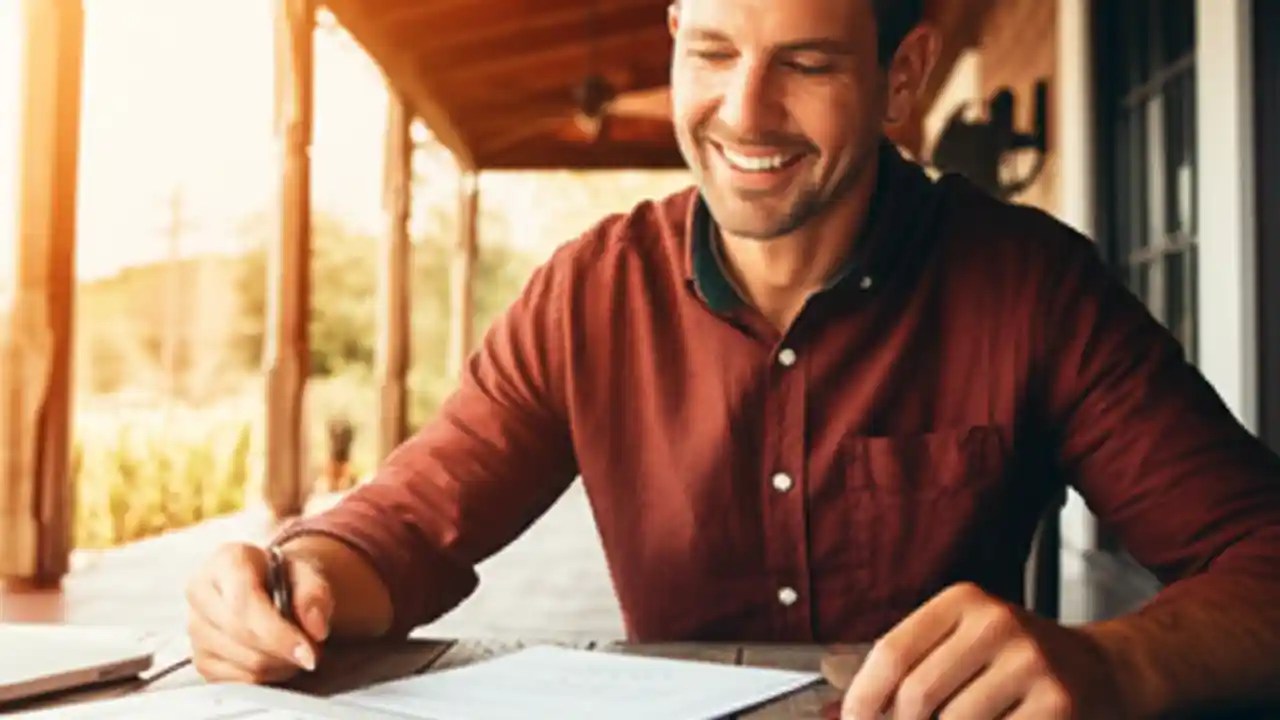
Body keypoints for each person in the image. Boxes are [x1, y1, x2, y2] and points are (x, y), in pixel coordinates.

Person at [184, 0, 1280, 716]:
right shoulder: (585, 292)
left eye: (803, 62)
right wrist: (297, 581)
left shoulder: (1035, 288)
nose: (741, 111)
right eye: (709, 53)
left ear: (902, 79)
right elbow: (407, 525)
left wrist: (1114, 663)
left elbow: (1262, 556)